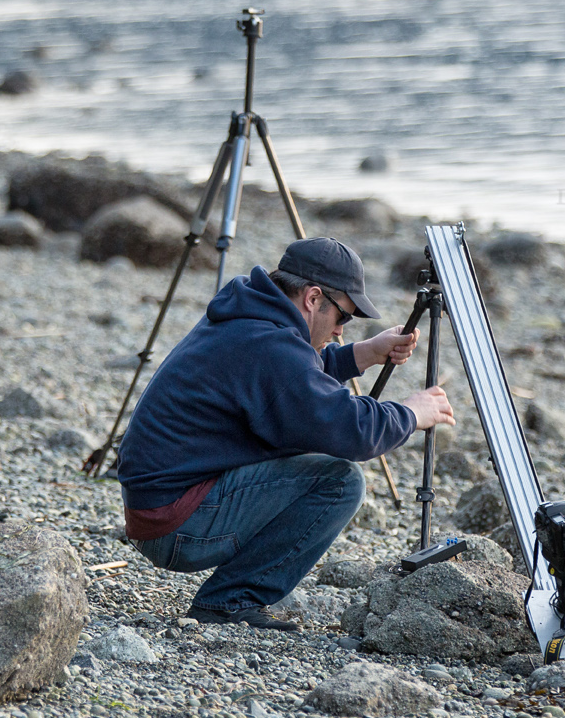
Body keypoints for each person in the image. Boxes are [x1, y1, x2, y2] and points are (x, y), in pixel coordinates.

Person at [117, 236, 455, 631]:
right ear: (313, 299)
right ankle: (228, 602)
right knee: (339, 481)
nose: (342, 331)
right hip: (176, 526)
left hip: (158, 508)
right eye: (342, 317)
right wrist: (412, 413)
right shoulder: (271, 344)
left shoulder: (251, 317)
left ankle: (229, 595)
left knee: (313, 458)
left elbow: (291, 386)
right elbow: (352, 430)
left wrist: (364, 354)